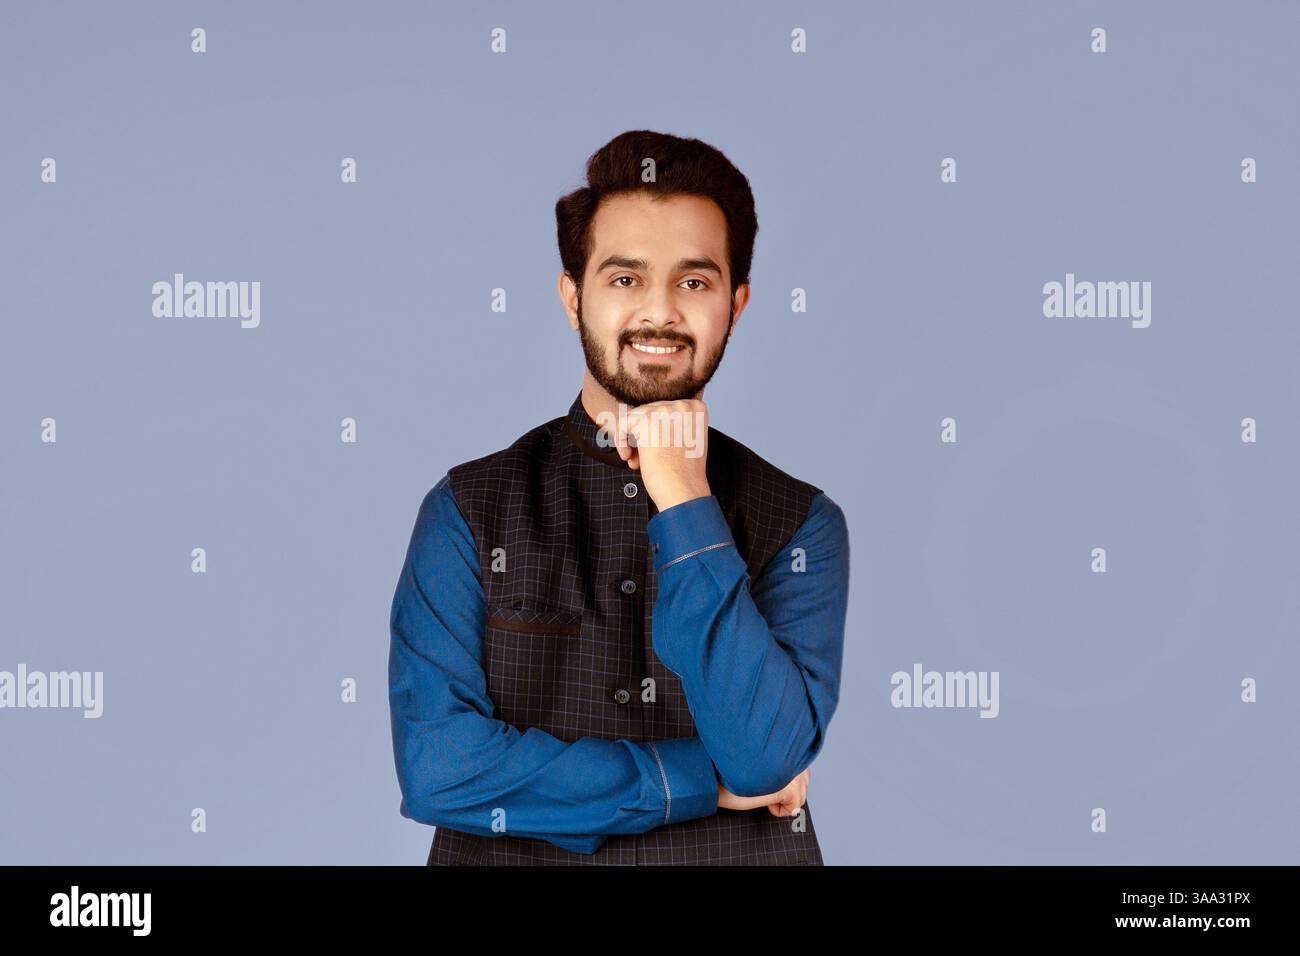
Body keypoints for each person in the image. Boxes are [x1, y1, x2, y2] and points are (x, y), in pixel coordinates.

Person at [388, 129, 850, 865]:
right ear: (574, 298)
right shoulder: (467, 510)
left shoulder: (802, 526)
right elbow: (440, 770)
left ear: (737, 303)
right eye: (626, 279)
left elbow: (764, 761)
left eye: (694, 282)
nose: (660, 312)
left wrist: (685, 504)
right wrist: (697, 780)